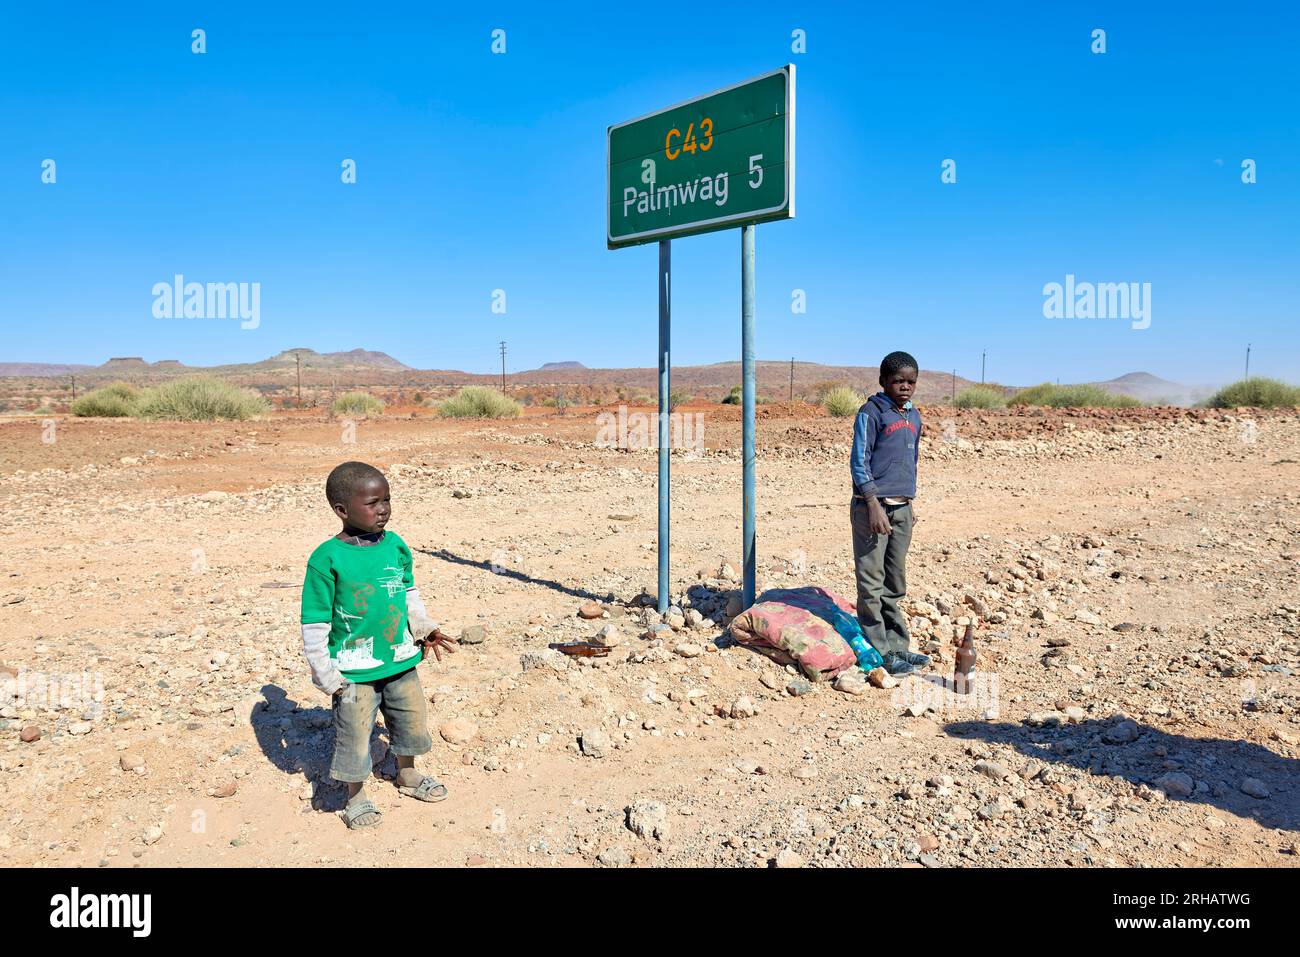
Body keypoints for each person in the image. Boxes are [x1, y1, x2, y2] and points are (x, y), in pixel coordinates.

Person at [300, 460, 457, 829]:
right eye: (373, 502)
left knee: (410, 720)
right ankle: (355, 795)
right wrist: (324, 671)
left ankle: (407, 774)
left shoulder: (396, 545)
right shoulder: (327, 558)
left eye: (387, 499)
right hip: (354, 671)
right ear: (342, 510)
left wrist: (423, 627)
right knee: (354, 731)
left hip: (401, 659)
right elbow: (315, 622)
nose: (383, 508)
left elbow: (408, 592)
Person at [849, 352, 931, 676]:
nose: (905, 387)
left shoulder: (915, 417)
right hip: (873, 510)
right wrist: (872, 505)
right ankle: (879, 653)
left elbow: (911, 462)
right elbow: (859, 462)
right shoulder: (871, 413)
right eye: (898, 381)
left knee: (894, 583)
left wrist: (908, 505)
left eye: (911, 382)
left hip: (902, 509)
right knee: (871, 584)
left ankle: (898, 646)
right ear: (883, 381)